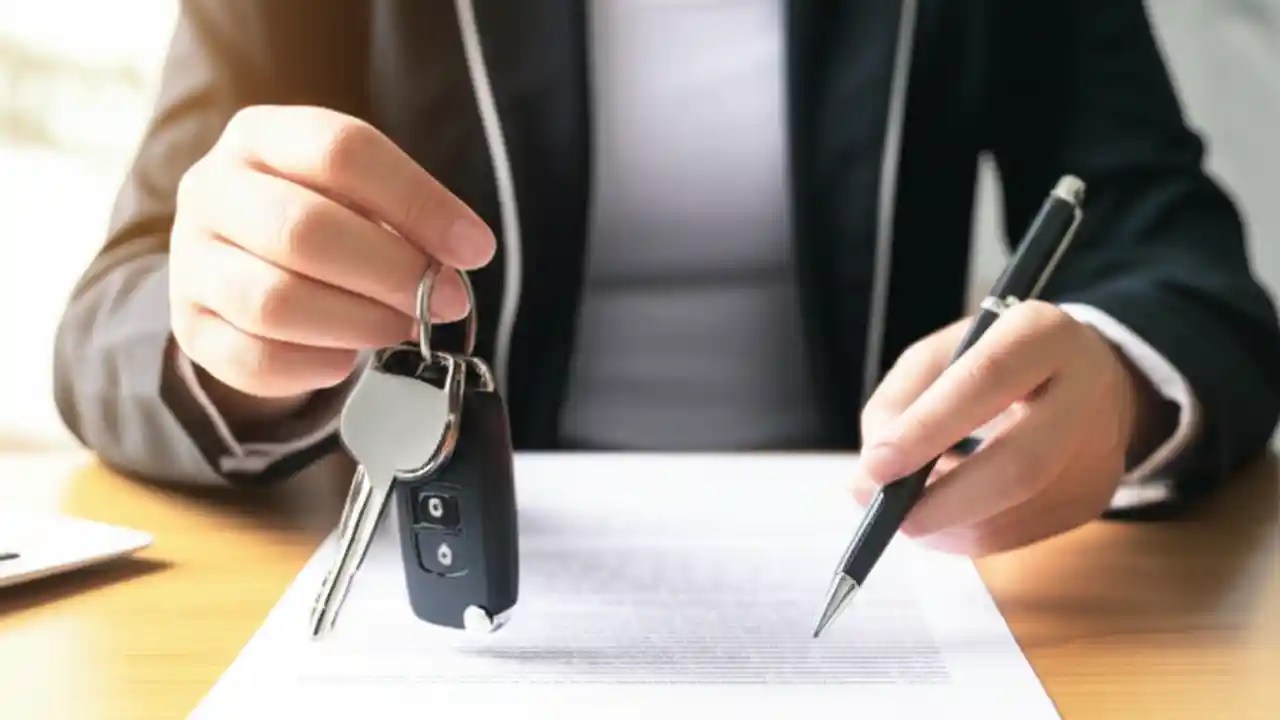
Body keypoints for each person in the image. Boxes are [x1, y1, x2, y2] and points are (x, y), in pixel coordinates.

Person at [54, 0, 1280, 556]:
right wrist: (229, 333)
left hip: (878, 552)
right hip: (448, 568)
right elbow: (118, 311)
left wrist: (1116, 379)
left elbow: (1165, 243)